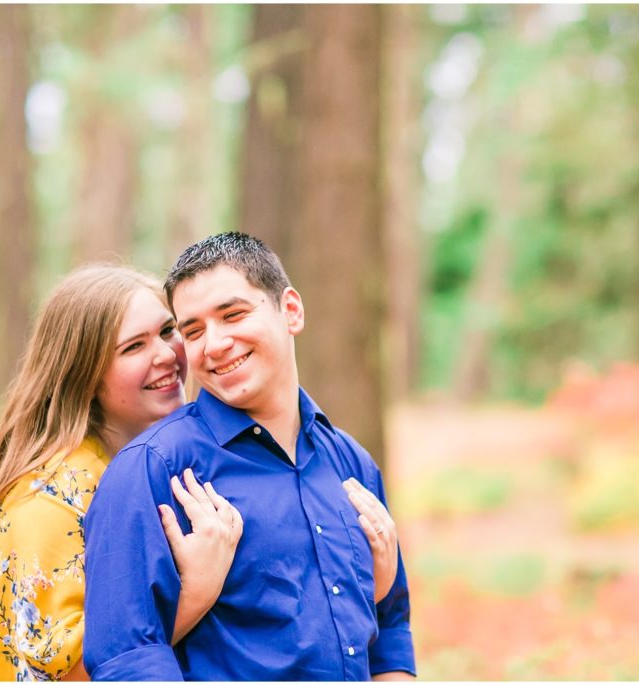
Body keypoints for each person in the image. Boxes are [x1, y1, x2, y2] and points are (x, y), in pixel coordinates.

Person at [83, 232, 416, 681]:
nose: (215, 344)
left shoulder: (351, 464)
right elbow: (125, 657)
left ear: (290, 311)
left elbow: (390, 627)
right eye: (193, 331)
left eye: (233, 314)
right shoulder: (153, 469)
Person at [0, 264, 244, 681]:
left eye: (168, 331)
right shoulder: (48, 502)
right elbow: (75, 673)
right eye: (134, 347)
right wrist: (195, 594)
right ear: (85, 375)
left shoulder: (147, 469)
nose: (167, 355)